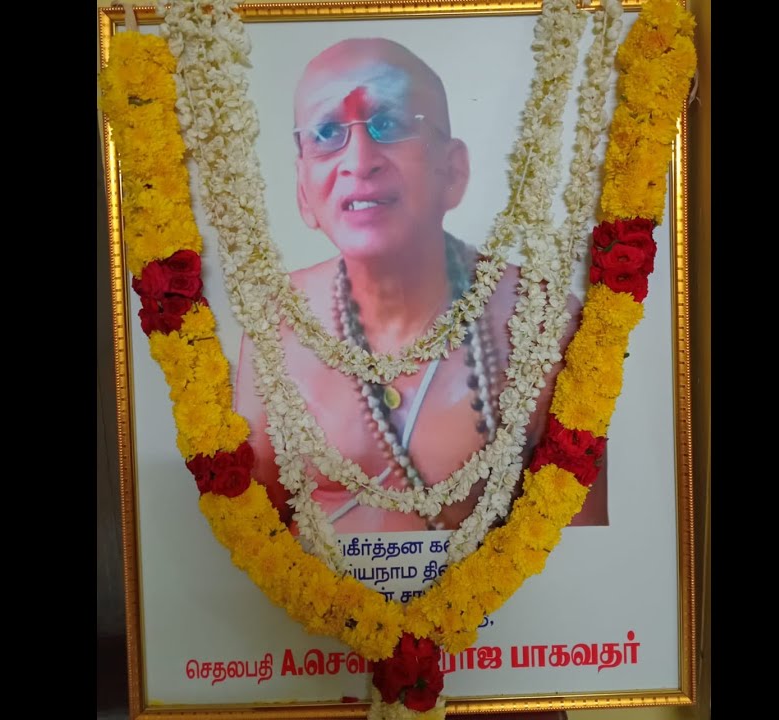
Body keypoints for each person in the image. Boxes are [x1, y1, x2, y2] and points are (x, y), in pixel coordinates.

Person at [234, 37, 606, 533]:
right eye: (326, 133)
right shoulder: (275, 323)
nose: (359, 160)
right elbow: (250, 532)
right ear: (304, 191)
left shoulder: (539, 320)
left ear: (452, 171)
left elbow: (582, 546)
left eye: (388, 124)